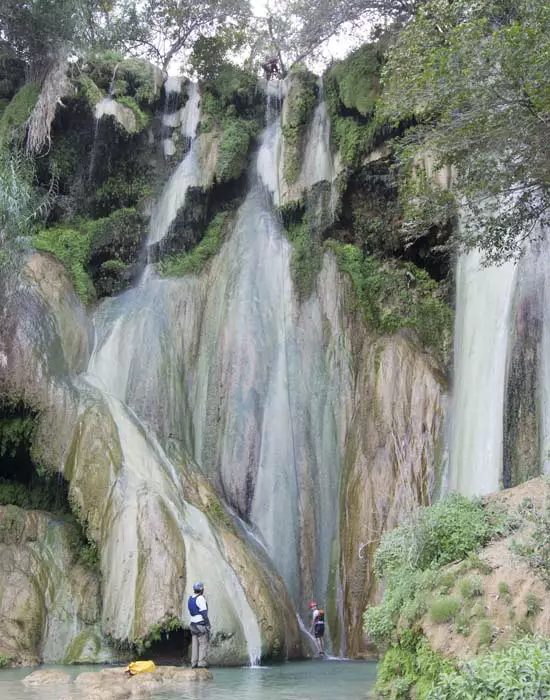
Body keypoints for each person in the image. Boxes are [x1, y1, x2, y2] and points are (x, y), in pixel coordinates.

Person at [188, 581, 211, 668]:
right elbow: (204, 613)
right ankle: (201, 662)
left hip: (192, 624)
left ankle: (193, 662)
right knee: (203, 643)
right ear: (201, 590)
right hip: (200, 624)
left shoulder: (190, 598)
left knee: (195, 643)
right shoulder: (201, 598)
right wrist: (208, 624)